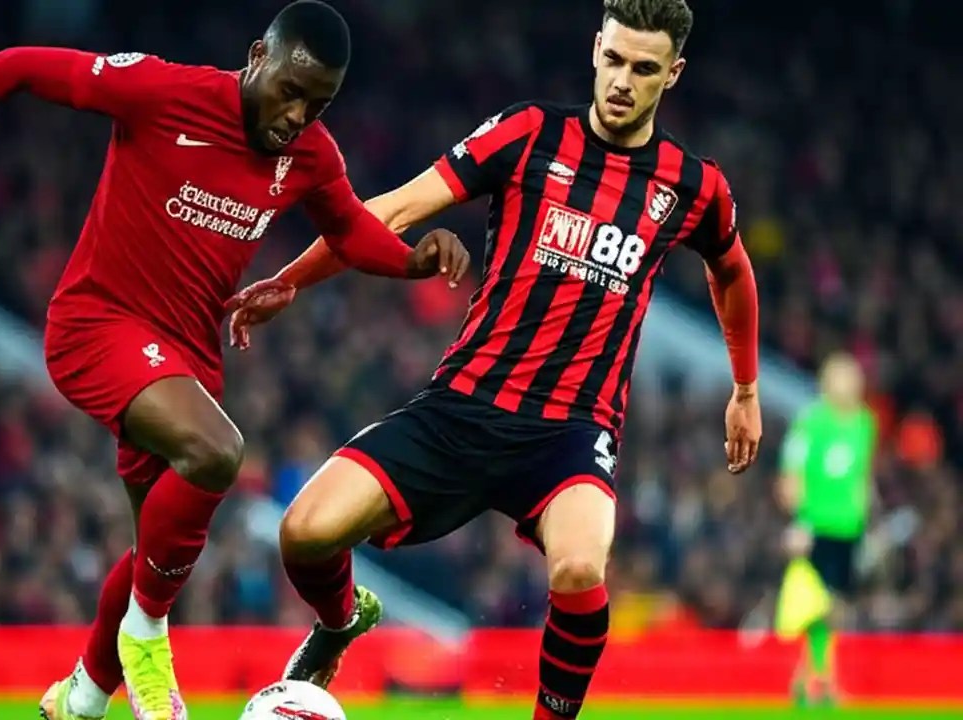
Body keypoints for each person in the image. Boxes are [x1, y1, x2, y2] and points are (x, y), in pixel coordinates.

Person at [0, 2, 469, 719]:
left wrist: (415, 258)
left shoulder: (310, 155)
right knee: (217, 454)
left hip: (187, 356)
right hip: (99, 326)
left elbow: (350, 228)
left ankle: (82, 697)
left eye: (317, 103)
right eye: (290, 91)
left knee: (152, 555)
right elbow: (16, 67)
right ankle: (146, 636)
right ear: (257, 54)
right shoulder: (164, 92)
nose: (297, 115)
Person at [225, 1, 762, 717]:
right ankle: (339, 621)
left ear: (674, 73)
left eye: (644, 68)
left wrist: (747, 387)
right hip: (464, 406)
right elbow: (391, 210)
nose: (623, 81)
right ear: (595, 48)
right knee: (303, 532)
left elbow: (732, 272)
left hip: (570, 433)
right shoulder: (529, 133)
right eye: (613, 59)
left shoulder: (692, 186)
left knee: (578, 566)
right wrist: (288, 280)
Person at [775, 352, 877, 707]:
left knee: (832, 610)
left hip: (849, 529)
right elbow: (790, 477)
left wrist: (866, 522)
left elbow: (861, 478)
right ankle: (822, 681)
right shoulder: (811, 423)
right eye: (842, 377)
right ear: (826, 382)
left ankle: (809, 680)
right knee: (816, 608)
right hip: (815, 527)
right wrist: (799, 522)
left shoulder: (866, 423)